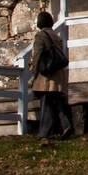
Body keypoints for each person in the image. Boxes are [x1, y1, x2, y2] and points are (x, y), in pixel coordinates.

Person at [31, 11, 72, 142]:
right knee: (57, 103)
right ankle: (65, 126)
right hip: (58, 75)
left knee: (46, 105)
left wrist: (35, 73)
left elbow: (37, 56)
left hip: (46, 76)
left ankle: (46, 133)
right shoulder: (56, 35)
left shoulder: (40, 36)